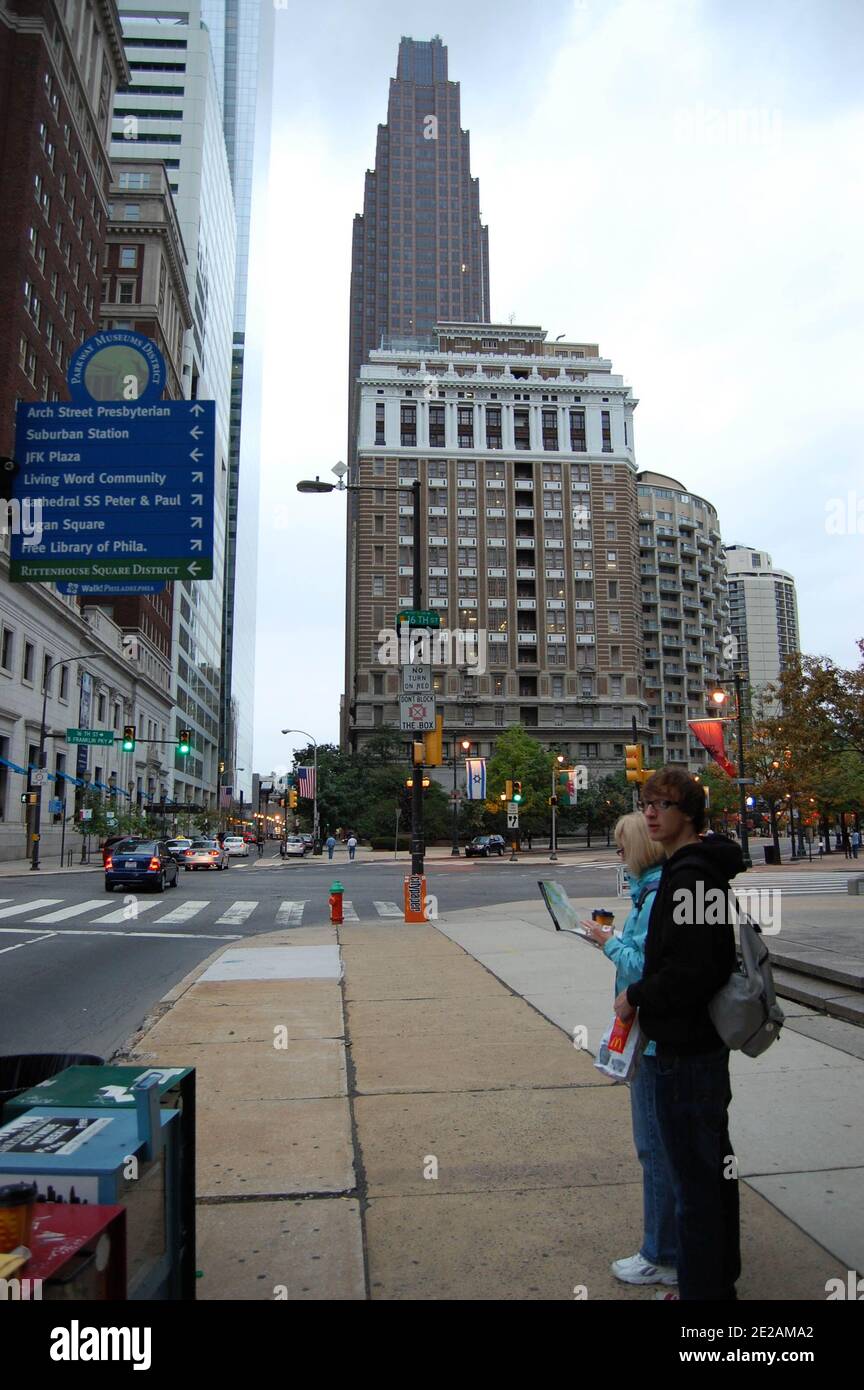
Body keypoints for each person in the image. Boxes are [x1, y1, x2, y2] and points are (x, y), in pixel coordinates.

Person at [614, 766, 742, 1302]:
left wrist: (637, 996)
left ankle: (702, 1298)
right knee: (710, 1174)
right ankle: (711, 1281)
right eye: (646, 803)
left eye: (661, 805)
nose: (650, 813)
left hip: (686, 1053)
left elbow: (698, 968)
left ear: (688, 814)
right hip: (693, 1049)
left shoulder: (690, 878)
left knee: (694, 1182)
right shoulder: (689, 872)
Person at [583, 813, 675, 1288]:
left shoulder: (657, 895)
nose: (619, 856)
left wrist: (608, 943)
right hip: (652, 1036)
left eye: (622, 848)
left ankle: (662, 1254)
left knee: (654, 1148)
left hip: (655, 1040)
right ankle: (667, 1248)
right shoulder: (654, 890)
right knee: (659, 1147)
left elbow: (643, 966)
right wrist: (612, 940)